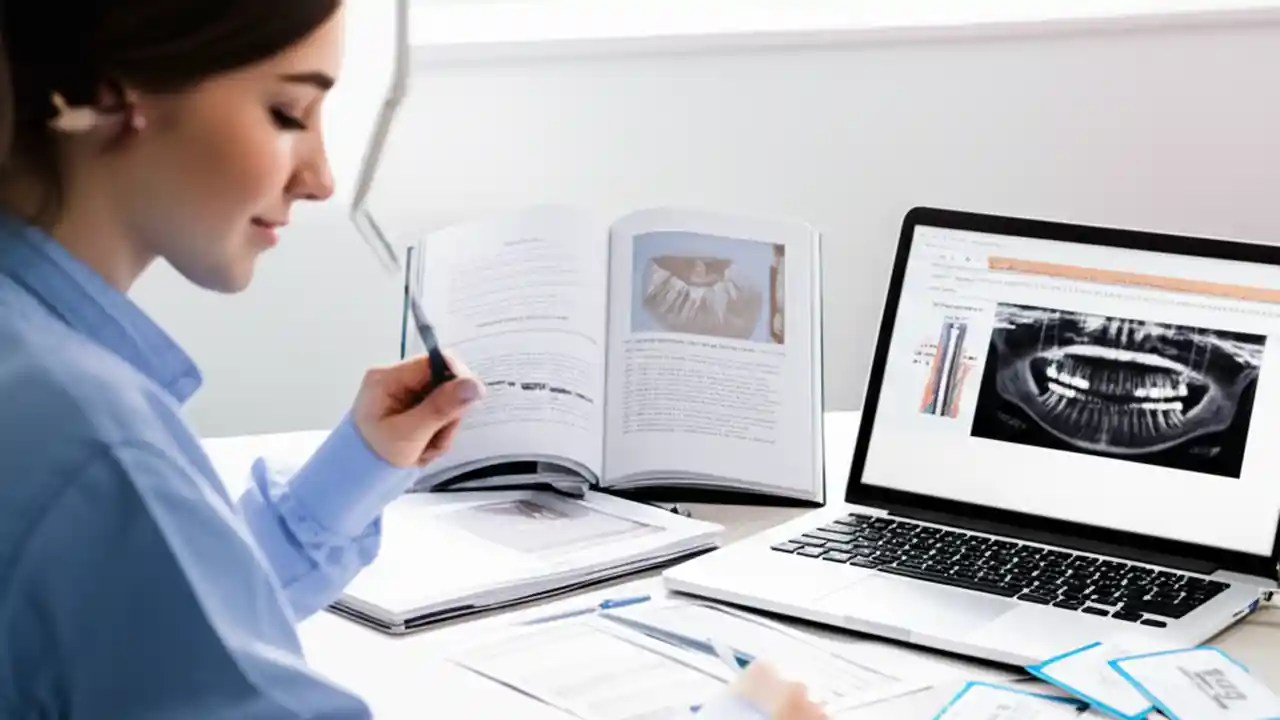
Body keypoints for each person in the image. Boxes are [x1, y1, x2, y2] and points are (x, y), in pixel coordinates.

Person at [0, 2, 827, 719]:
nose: (322, 178)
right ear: (110, 95)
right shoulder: (91, 443)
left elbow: (150, 625)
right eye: (289, 113)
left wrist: (353, 473)